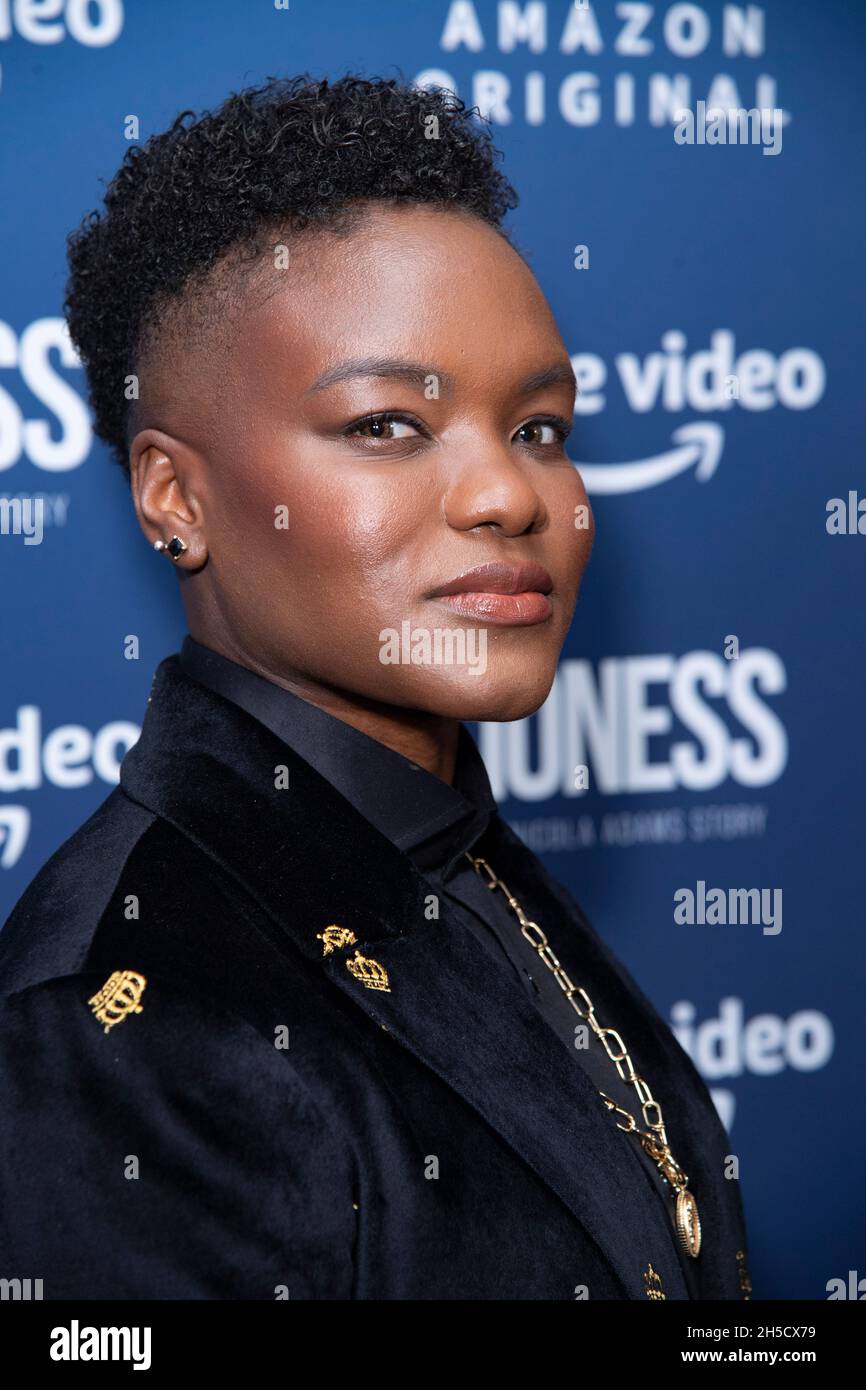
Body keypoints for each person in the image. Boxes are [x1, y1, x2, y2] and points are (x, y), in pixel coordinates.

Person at [0, 73, 750, 1300]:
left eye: (539, 428)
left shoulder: (452, 850)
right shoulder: (126, 1026)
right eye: (387, 424)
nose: (507, 496)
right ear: (174, 497)